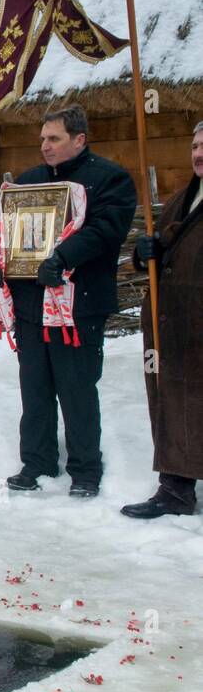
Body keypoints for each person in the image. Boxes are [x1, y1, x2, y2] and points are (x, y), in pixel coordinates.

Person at [0, 104, 137, 497]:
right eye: (43, 139)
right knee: (35, 388)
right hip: (31, 304)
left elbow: (104, 231)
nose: (45, 146)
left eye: (54, 139)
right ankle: (37, 462)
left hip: (78, 305)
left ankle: (85, 470)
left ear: (79, 139)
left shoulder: (110, 179)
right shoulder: (29, 181)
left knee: (77, 388)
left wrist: (62, 258)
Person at [121, 120, 203, 518]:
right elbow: (159, 254)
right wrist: (145, 251)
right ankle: (175, 489)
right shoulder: (182, 198)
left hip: (196, 322)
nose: (199, 154)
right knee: (172, 401)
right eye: (195, 146)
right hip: (173, 323)